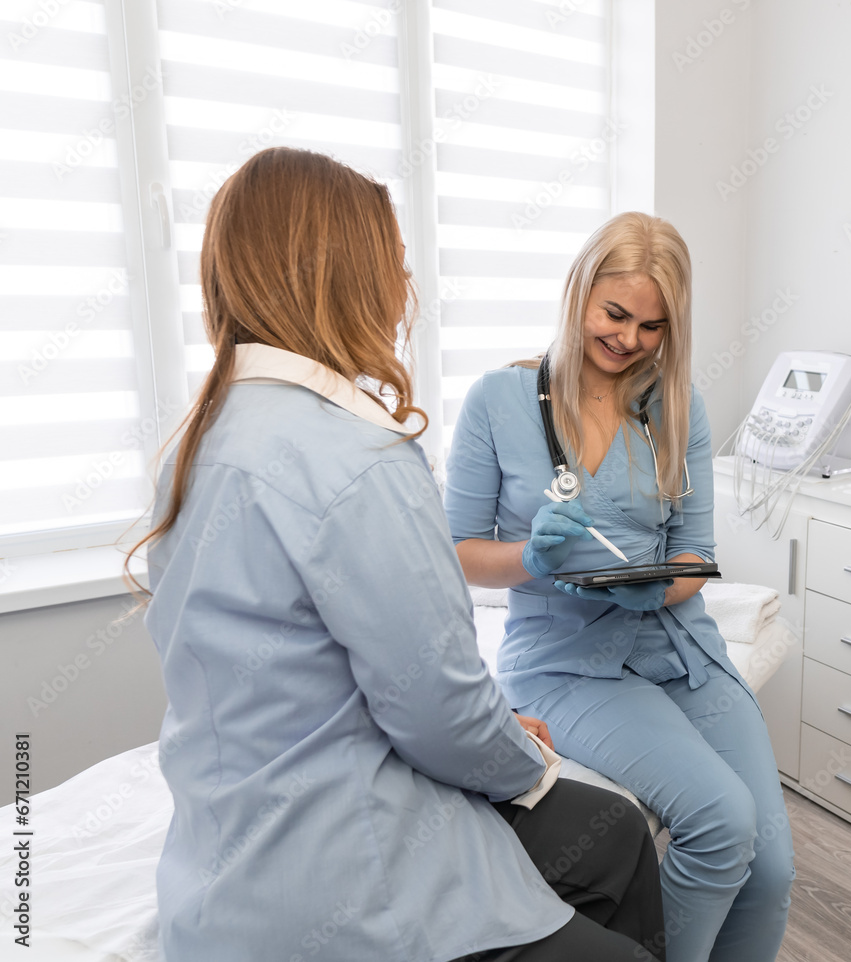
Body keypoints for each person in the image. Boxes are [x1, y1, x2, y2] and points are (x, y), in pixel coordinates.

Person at [126, 147, 666, 962]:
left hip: (219, 858)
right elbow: (435, 708)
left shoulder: (197, 443)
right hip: (344, 882)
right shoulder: (359, 457)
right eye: (395, 265)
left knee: (614, 829)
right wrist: (521, 756)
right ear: (348, 277)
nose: (403, 289)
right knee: (611, 881)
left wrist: (487, 724)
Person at [444, 211, 796, 962]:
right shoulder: (497, 403)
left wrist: (657, 591)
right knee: (721, 823)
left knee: (770, 868)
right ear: (579, 291)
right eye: (615, 313)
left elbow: (696, 555)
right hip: (567, 663)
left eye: (652, 325)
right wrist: (531, 561)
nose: (629, 339)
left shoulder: (677, 406)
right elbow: (459, 552)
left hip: (681, 649)